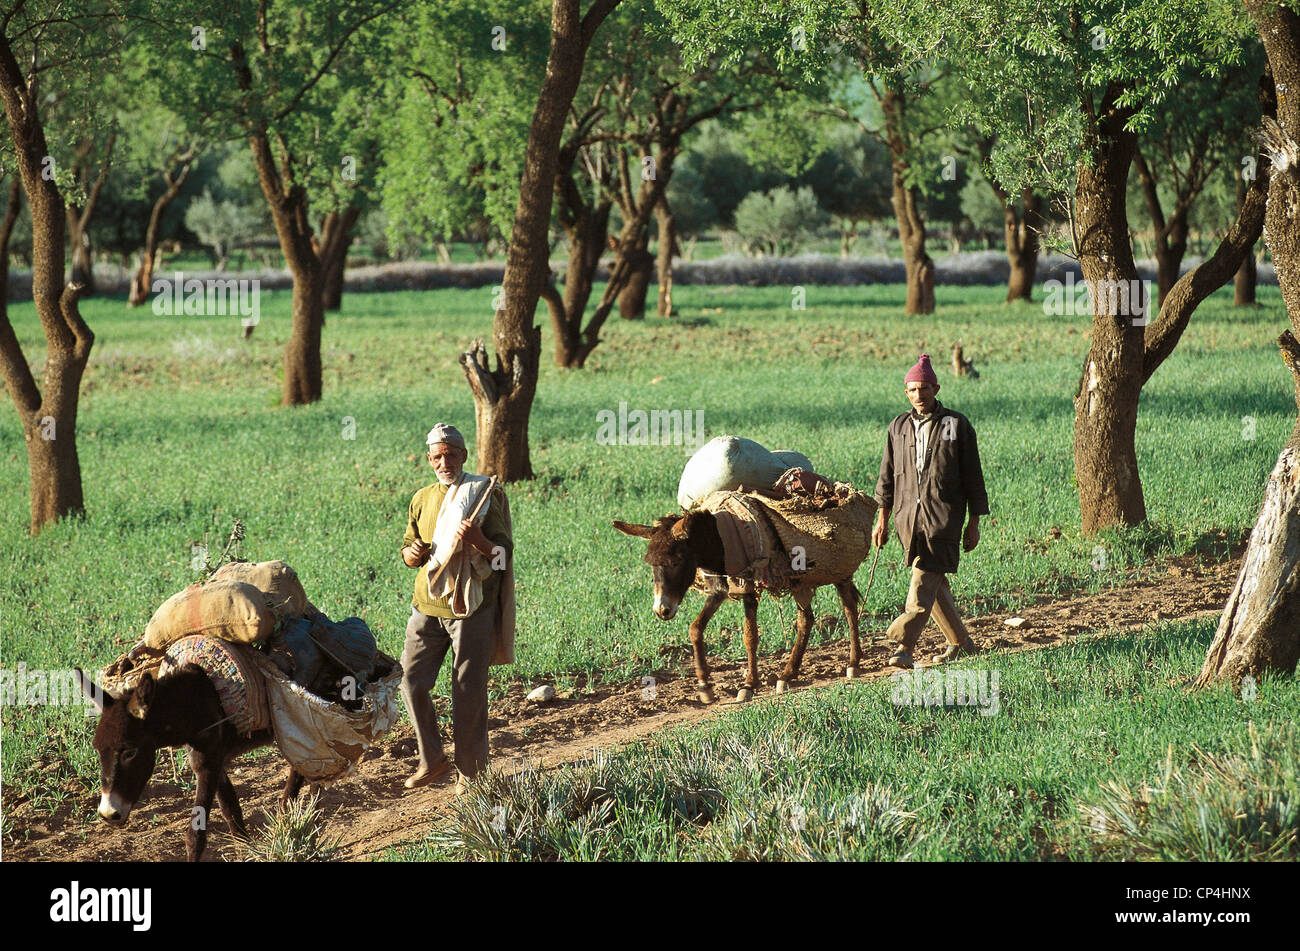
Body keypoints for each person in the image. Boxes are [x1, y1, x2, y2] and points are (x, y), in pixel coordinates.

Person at [399, 423, 513, 789]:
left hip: (472, 608)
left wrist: (478, 540)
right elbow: (408, 546)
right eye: (437, 456)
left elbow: (502, 558)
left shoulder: (484, 494)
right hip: (427, 606)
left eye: (451, 454)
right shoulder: (421, 498)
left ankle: (472, 774)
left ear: (463, 455)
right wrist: (411, 554)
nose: (444, 461)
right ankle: (432, 759)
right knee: (410, 680)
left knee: (467, 690)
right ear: (429, 459)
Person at [872, 354, 989, 669]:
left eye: (924, 389)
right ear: (906, 393)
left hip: (944, 518)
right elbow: (887, 475)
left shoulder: (956, 425)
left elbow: (973, 476)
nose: (918, 396)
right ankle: (961, 643)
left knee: (922, 582)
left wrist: (974, 522)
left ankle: (903, 645)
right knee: (934, 586)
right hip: (908, 519)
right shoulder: (898, 427)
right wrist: (881, 519)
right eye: (912, 390)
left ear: (936, 388)